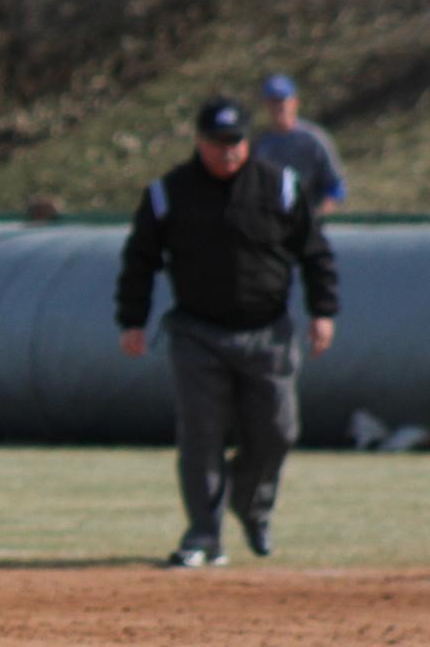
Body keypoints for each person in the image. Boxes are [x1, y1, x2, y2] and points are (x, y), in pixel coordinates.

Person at [114, 95, 338, 568]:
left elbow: (315, 253)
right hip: (198, 333)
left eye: (235, 141)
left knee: (277, 430)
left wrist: (323, 311)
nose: (227, 151)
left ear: (247, 142)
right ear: (199, 142)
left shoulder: (279, 187)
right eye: (217, 143)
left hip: (267, 332)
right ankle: (204, 535)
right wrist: (132, 319)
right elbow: (140, 260)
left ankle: (251, 506)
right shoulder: (168, 193)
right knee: (201, 435)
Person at [254, 74, 346, 212]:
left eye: (282, 100)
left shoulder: (313, 138)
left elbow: (335, 185)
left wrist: (321, 214)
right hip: (273, 220)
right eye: (273, 101)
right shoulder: (261, 144)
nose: (278, 107)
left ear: (294, 102)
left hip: (310, 216)